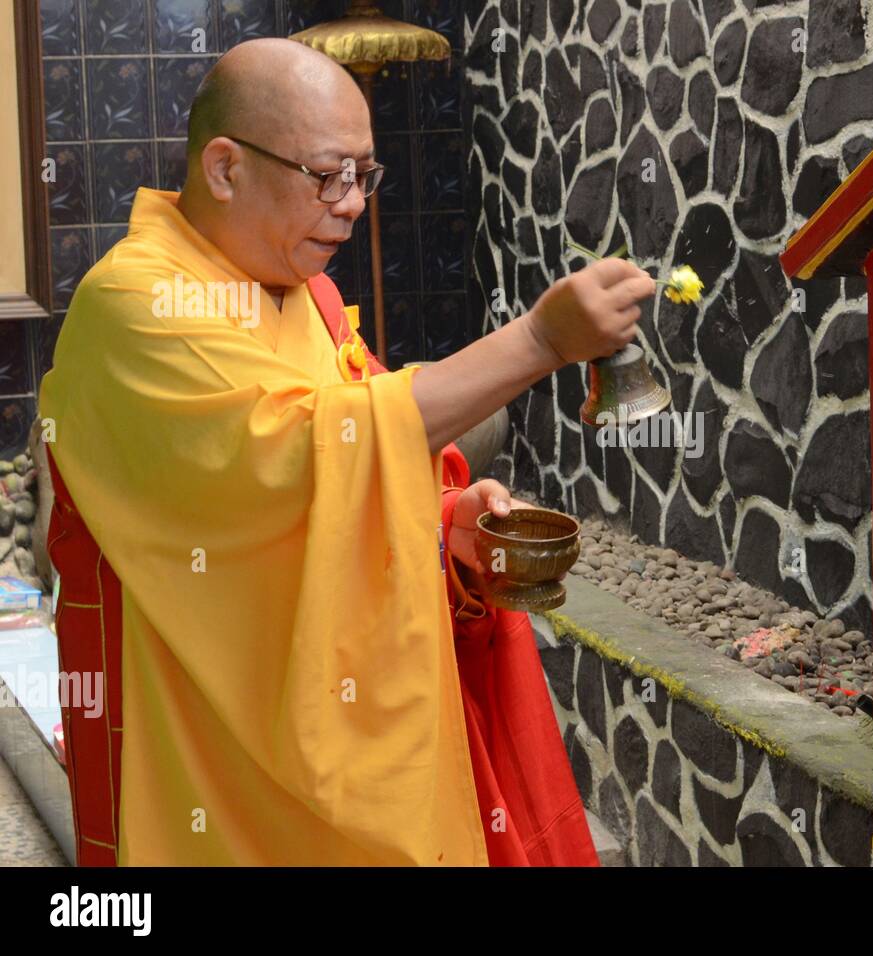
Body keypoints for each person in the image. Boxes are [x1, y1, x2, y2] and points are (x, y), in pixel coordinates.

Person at [37, 37, 654, 866]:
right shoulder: (135, 306)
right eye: (329, 176)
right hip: (207, 768)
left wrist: (446, 526)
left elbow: (347, 477)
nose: (354, 203)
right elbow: (303, 452)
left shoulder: (309, 293)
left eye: (366, 177)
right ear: (225, 168)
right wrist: (540, 339)